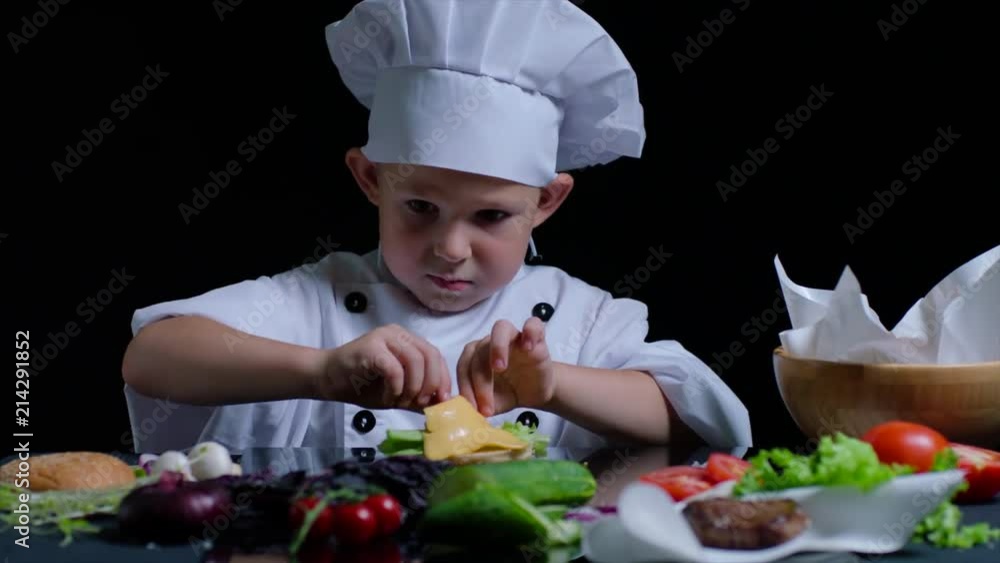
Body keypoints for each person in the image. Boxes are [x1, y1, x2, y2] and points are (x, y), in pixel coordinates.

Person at [121, 0, 753, 456]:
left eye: (491, 216)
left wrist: (555, 386)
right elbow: (153, 356)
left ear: (548, 202)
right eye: (420, 208)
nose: (451, 250)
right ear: (370, 180)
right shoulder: (316, 299)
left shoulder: (577, 318)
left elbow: (696, 418)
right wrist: (321, 371)